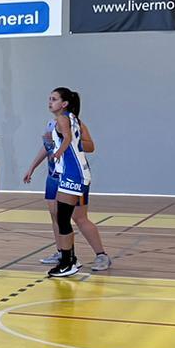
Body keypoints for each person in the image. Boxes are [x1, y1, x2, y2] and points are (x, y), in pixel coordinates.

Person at [21, 86, 108, 278]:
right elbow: (48, 147)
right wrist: (32, 167)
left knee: (76, 217)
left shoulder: (72, 121)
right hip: (57, 174)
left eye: (54, 99)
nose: (49, 102)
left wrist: (65, 147)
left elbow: (84, 144)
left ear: (65, 103)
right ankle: (65, 255)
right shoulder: (53, 124)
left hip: (73, 173)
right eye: (49, 98)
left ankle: (97, 255)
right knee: (59, 217)